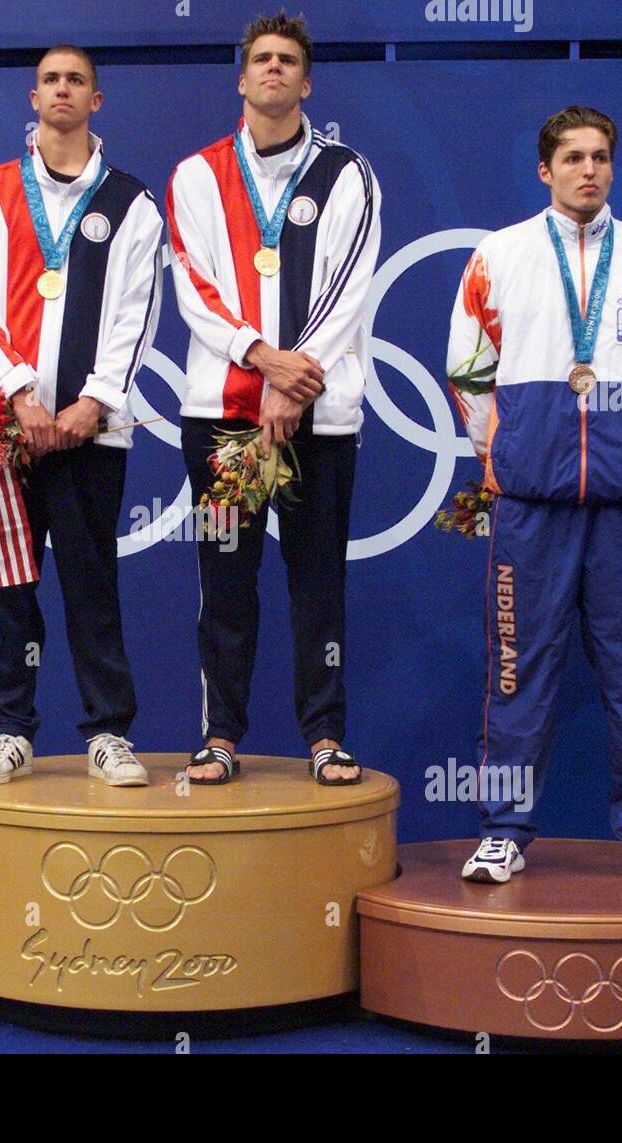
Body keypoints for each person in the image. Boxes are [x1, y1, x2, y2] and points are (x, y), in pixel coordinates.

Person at [446, 106, 622, 884]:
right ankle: (505, 830)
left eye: (602, 157)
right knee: (519, 671)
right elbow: (467, 365)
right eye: (574, 158)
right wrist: (507, 448)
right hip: (531, 503)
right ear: (546, 169)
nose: (590, 169)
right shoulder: (502, 253)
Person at [166, 12, 380, 787]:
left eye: (288, 60)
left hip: (319, 418)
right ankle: (221, 733)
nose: (274, 70)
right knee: (225, 575)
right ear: (241, 77)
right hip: (223, 418)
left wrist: (294, 381)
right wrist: (262, 362)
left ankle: (324, 735)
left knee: (318, 578)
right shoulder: (196, 175)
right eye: (261, 59)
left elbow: (348, 286)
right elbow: (194, 285)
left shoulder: (348, 172)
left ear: (307, 80)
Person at [0, 44, 162, 787]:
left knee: (91, 582)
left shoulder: (132, 201)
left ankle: (107, 731)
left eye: (77, 80)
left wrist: (91, 402)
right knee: (9, 585)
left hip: (90, 431)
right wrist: (20, 395)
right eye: (51, 80)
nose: (63, 90)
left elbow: (137, 314)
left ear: (96, 101)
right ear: (32, 98)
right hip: (1, 429)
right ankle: (9, 731)